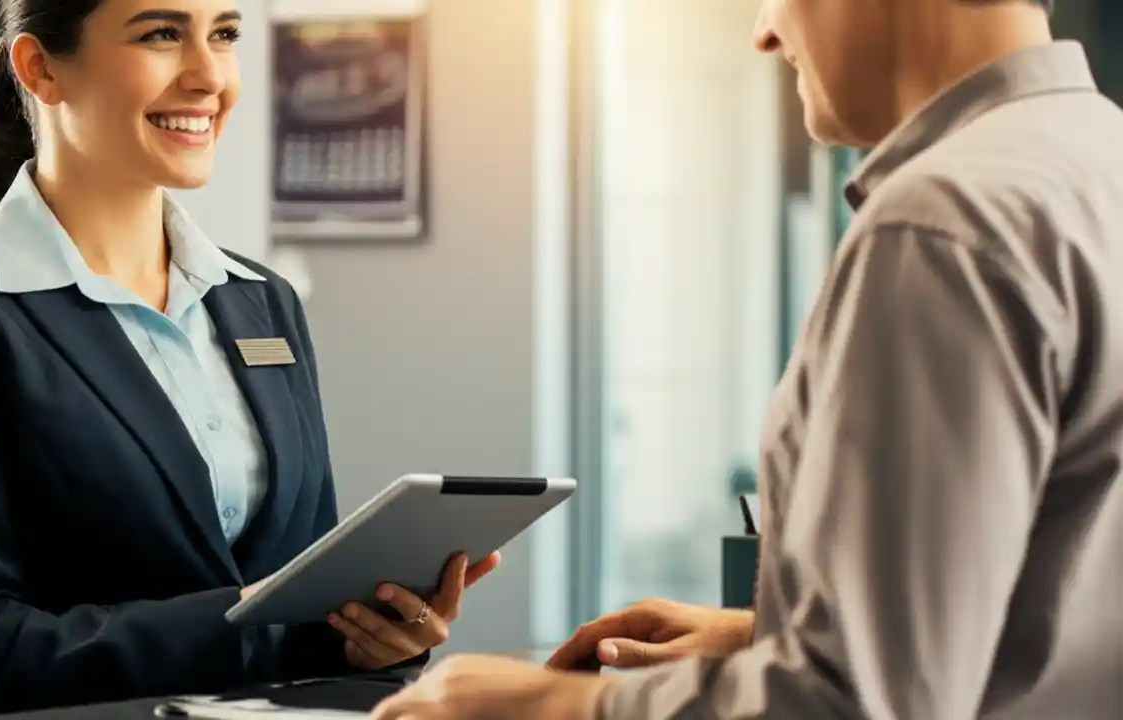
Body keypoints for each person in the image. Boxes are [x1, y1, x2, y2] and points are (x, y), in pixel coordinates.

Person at [373, 0, 1123, 717]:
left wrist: (554, 707)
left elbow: (860, 707)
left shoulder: (940, 225)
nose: (764, 32)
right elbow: (1059, 609)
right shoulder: (1096, 159)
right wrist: (762, 639)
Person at [0, 1, 499, 717]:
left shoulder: (263, 302)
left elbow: (307, 605)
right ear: (39, 69)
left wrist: (373, 633)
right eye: (161, 34)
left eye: (222, 35)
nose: (208, 77)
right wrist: (242, 618)